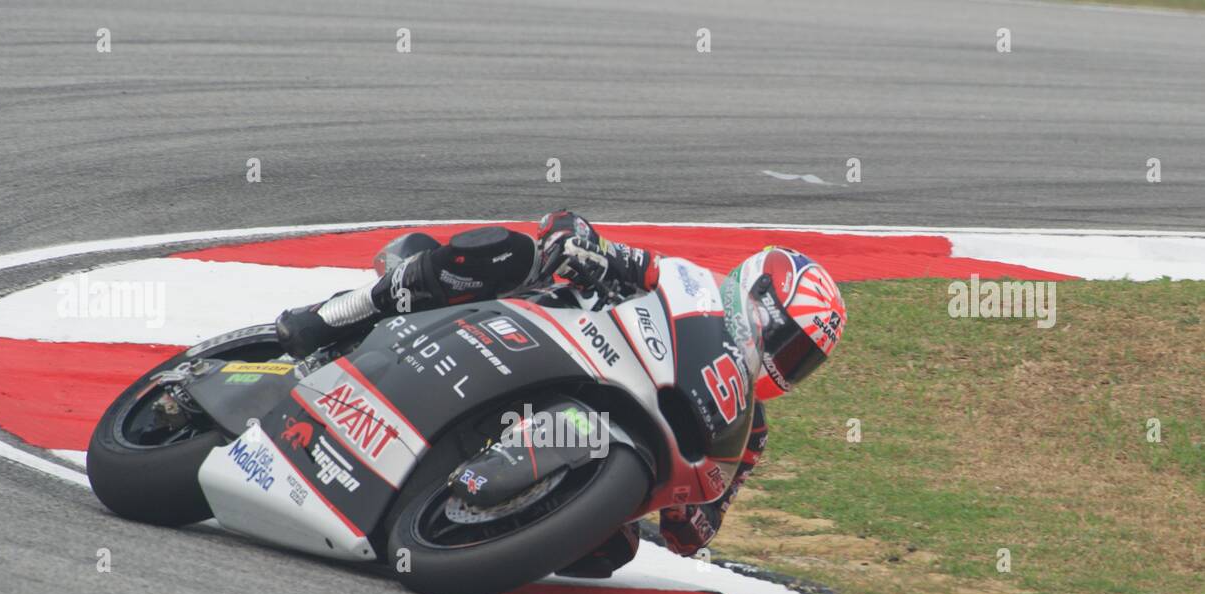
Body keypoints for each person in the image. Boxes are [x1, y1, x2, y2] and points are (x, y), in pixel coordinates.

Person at [275, 212, 846, 575]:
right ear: (754, 300)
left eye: (802, 360)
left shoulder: (748, 433)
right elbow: (574, 228)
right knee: (507, 253)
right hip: (538, 326)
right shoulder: (686, 283)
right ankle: (336, 315)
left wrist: (687, 508)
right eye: (785, 340)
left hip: (597, 421)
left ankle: (475, 518)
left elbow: (693, 534)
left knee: (613, 551)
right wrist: (579, 245)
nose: (782, 361)